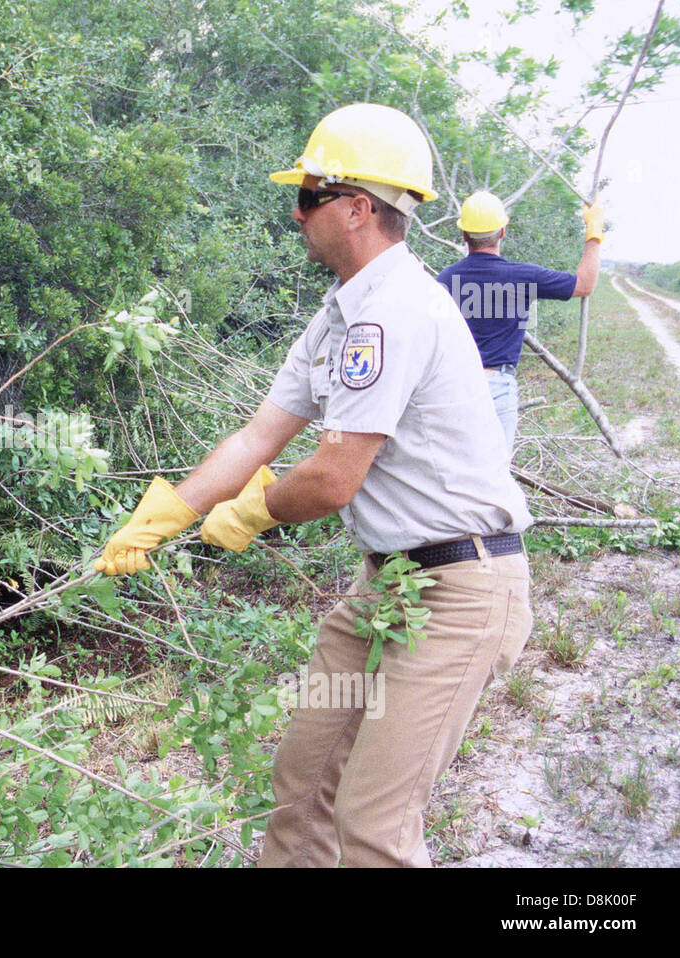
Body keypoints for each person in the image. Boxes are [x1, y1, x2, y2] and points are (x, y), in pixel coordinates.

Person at [94, 103, 535, 867]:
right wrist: (173, 513)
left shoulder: (392, 312)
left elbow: (332, 478)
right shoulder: (340, 314)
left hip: (462, 587)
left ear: (358, 208)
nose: (296, 214)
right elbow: (259, 435)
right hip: (390, 582)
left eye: (308, 197)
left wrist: (256, 510)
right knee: (301, 787)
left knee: (374, 821)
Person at [436, 190, 604, 448]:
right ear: (502, 231)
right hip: (498, 387)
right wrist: (594, 232)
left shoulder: (445, 279)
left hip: (455, 386)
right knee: (495, 475)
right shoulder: (522, 277)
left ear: (464, 235)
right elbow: (585, 284)